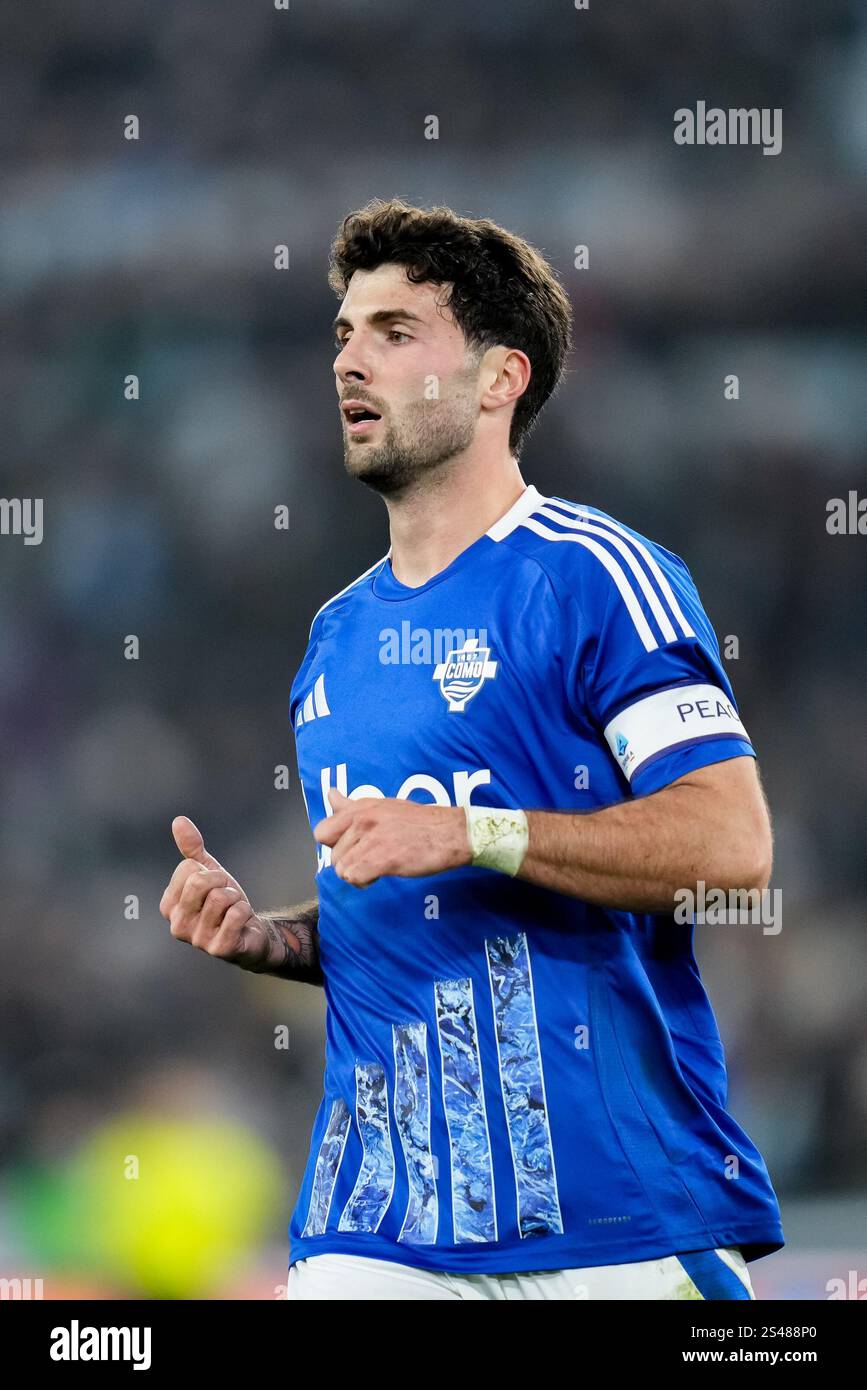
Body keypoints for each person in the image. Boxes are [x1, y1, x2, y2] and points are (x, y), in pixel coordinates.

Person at [159, 198, 784, 1301]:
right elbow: (404, 905)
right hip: (376, 1228)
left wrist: (469, 828)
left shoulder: (595, 575)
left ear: (502, 380)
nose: (352, 360)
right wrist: (281, 941)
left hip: (615, 1222)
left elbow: (730, 846)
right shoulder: (333, 643)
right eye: (346, 333)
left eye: (397, 334)